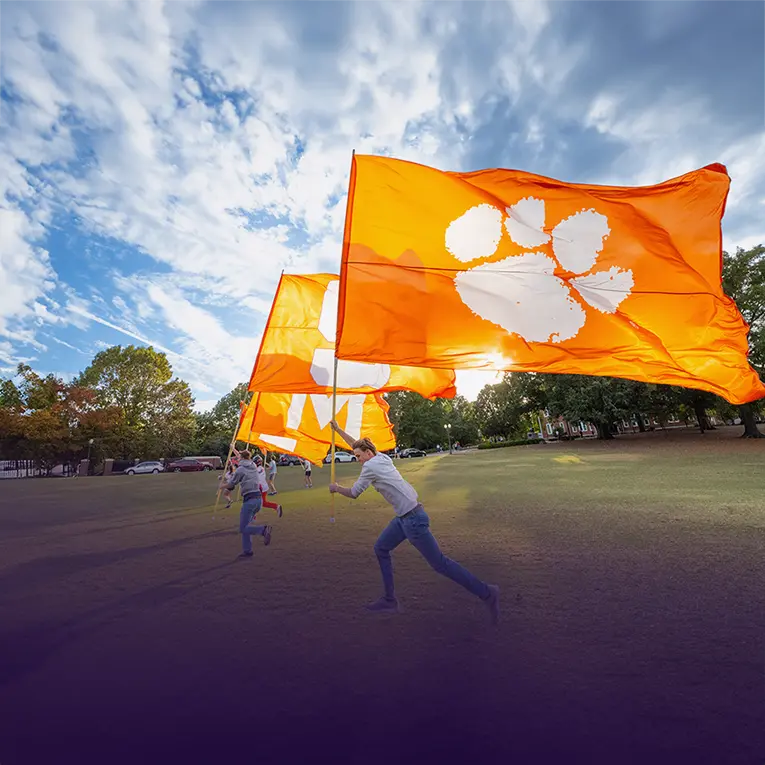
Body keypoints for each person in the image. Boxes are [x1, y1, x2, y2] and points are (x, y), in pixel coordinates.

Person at [328, 421, 500, 623]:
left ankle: (487, 592)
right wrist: (339, 430)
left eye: (358, 456)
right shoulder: (382, 457)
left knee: (440, 564)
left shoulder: (369, 467)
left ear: (367, 453)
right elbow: (355, 444)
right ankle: (390, 600)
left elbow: (355, 493)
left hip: (413, 520)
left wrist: (336, 488)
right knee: (381, 548)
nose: (357, 460)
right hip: (404, 518)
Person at [225, 450, 272, 558]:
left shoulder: (240, 469)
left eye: (238, 457)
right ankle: (248, 550)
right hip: (258, 499)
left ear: (241, 458)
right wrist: (233, 449)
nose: (237, 458)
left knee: (243, 528)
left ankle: (263, 530)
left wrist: (222, 486)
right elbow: (243, 457)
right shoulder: (253, 465)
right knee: (247, 525)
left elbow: (231, 485)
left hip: (249, 500)